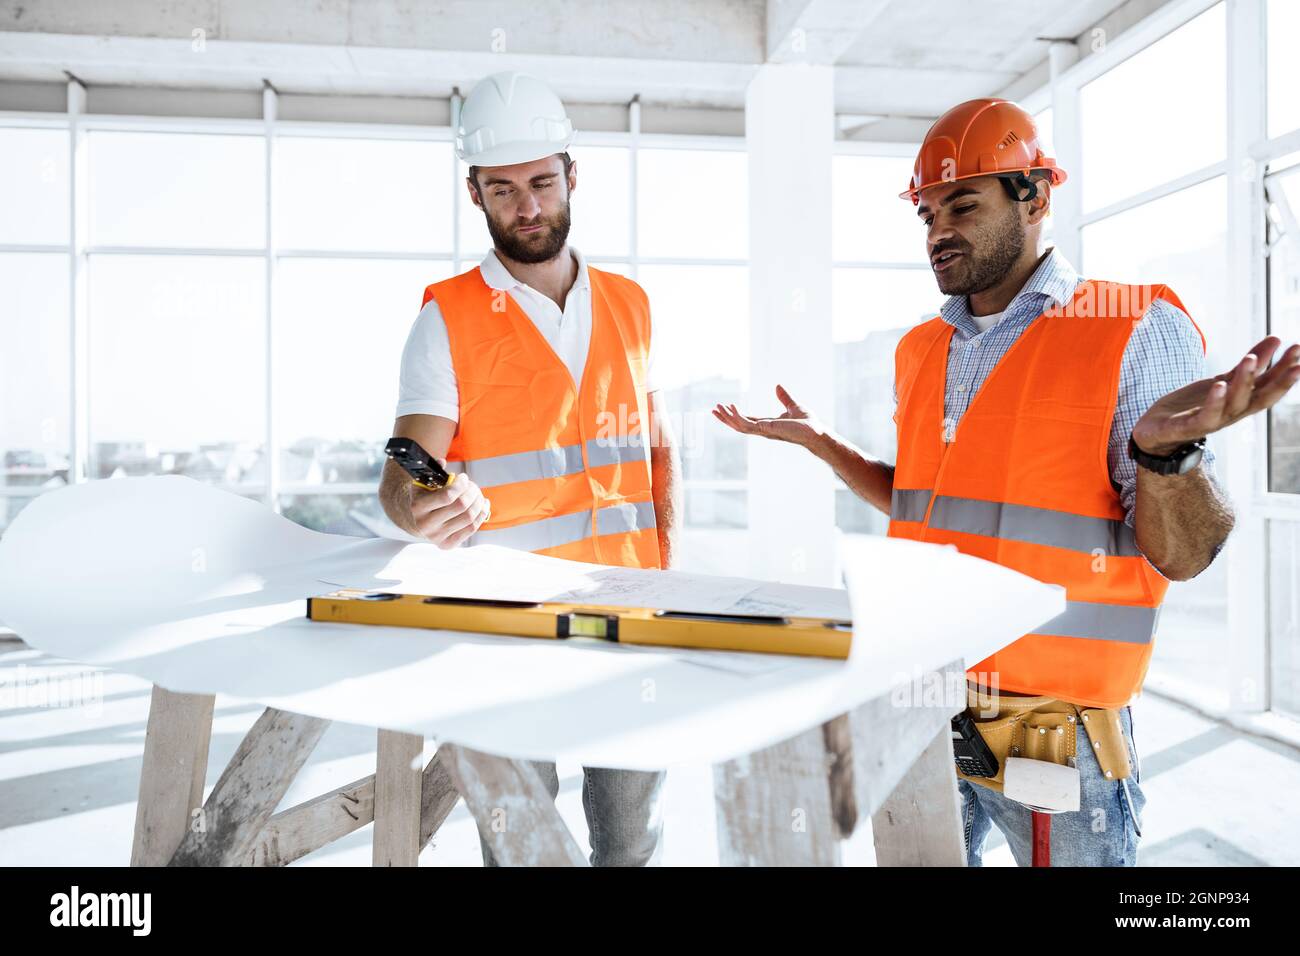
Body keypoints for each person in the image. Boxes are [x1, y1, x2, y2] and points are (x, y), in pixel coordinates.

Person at [715, 97, 1300, 866]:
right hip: (923, 701)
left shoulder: (1131, 325)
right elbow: (926, 506)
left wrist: (1166, 458)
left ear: (1037, 198)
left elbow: (1184, 554)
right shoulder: (922, 348)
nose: (938, 232)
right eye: (926, 213)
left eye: (963, 204)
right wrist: (823, 444)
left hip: (1055, 735)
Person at [379, 71, 681, 866]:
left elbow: (655, 448)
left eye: (543, 182)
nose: (527, 206)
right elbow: (405, 473)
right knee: (524, 849)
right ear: (473, 192)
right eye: (503, 188)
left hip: (631, 617)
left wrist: (671, 571)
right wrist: (425, 504)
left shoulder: (631, 302)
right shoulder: (446, 319)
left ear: (572, 176)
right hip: (509, 630)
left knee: (632, 841)